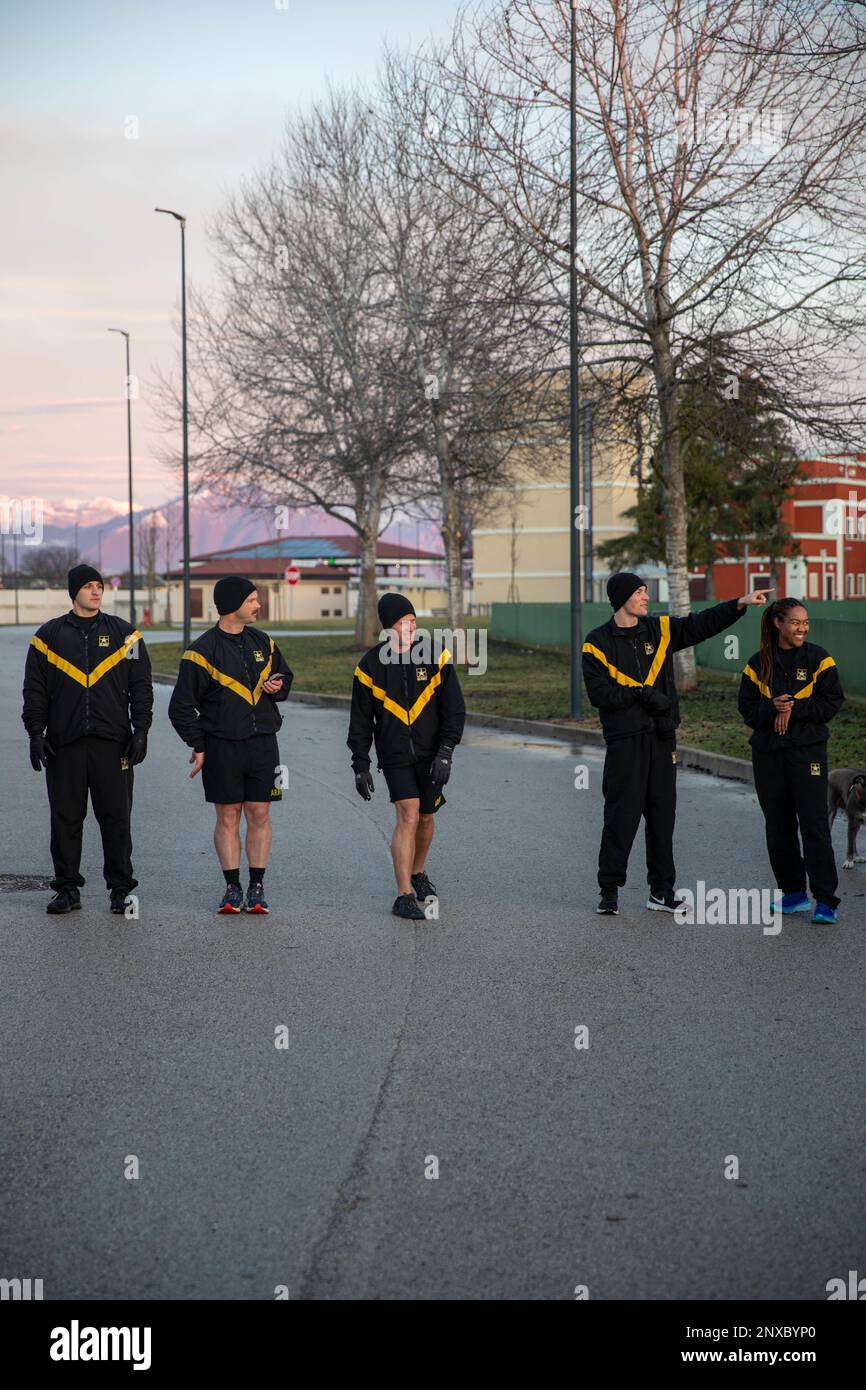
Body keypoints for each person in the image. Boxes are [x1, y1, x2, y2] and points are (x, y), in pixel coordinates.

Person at [582, 571, 770, 916]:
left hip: (662, 739)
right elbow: (600, 694)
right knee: (620, 818)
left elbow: (700, 625)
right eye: (639, 591)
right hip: (626, 742)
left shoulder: (660, 629)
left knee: (662, 818)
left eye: (644, 591)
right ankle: (609, 890)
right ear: (621, 597)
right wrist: (644, 694)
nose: (645, 596)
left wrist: (738, 605)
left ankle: (661, 891)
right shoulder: (597, 643)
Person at [22, 564, 153, 915]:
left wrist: (141, 730)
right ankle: (67, 889)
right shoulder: (47, 638)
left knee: (116, 818)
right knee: (65, 819)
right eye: (89, 586)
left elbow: (141, 687)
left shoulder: (127, 636)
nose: (96, 591)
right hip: (64, 745)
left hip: (113, 745)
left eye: (99, 586)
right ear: (73, 591)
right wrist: (36, 733)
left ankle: (121, 889)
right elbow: (35, 691)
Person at [168, 576, 293, 914]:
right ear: (233, 604)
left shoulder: (264, 642)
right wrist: (199, 743)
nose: (258, 605)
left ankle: (257, 887)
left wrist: (277, 687)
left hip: (263, 744)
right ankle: (232, 889)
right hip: (222, 746)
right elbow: (179, 708)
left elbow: (286, 679)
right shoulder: (200, 652)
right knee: (227, 816)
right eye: (252, 600)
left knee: (260, 813)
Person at [347, 593, 466, 920]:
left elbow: (454, 710)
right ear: (389, 628)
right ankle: (403, 894)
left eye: (413, 621)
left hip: (432, 755)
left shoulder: (435, 657)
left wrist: (445, 752)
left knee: (426, 816)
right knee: (409, 814)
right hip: (395, 754)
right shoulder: (369, 667)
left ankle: (418, 872)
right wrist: (361, 765)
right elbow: (360, 722)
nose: (412, 627)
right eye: (404, 622)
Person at [737, 597, 843, 925]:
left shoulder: (819, 659)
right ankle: (793, 893)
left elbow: (832, 702)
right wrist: (774, 708)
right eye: (795, 622)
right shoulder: (758, 664)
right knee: (779, 825)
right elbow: (748, 709)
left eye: (805, 622)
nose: (802, 628)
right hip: (768, 753)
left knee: (813, 823)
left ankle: (826, 900)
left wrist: (794, 708)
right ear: (778, 624)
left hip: (806, 751)